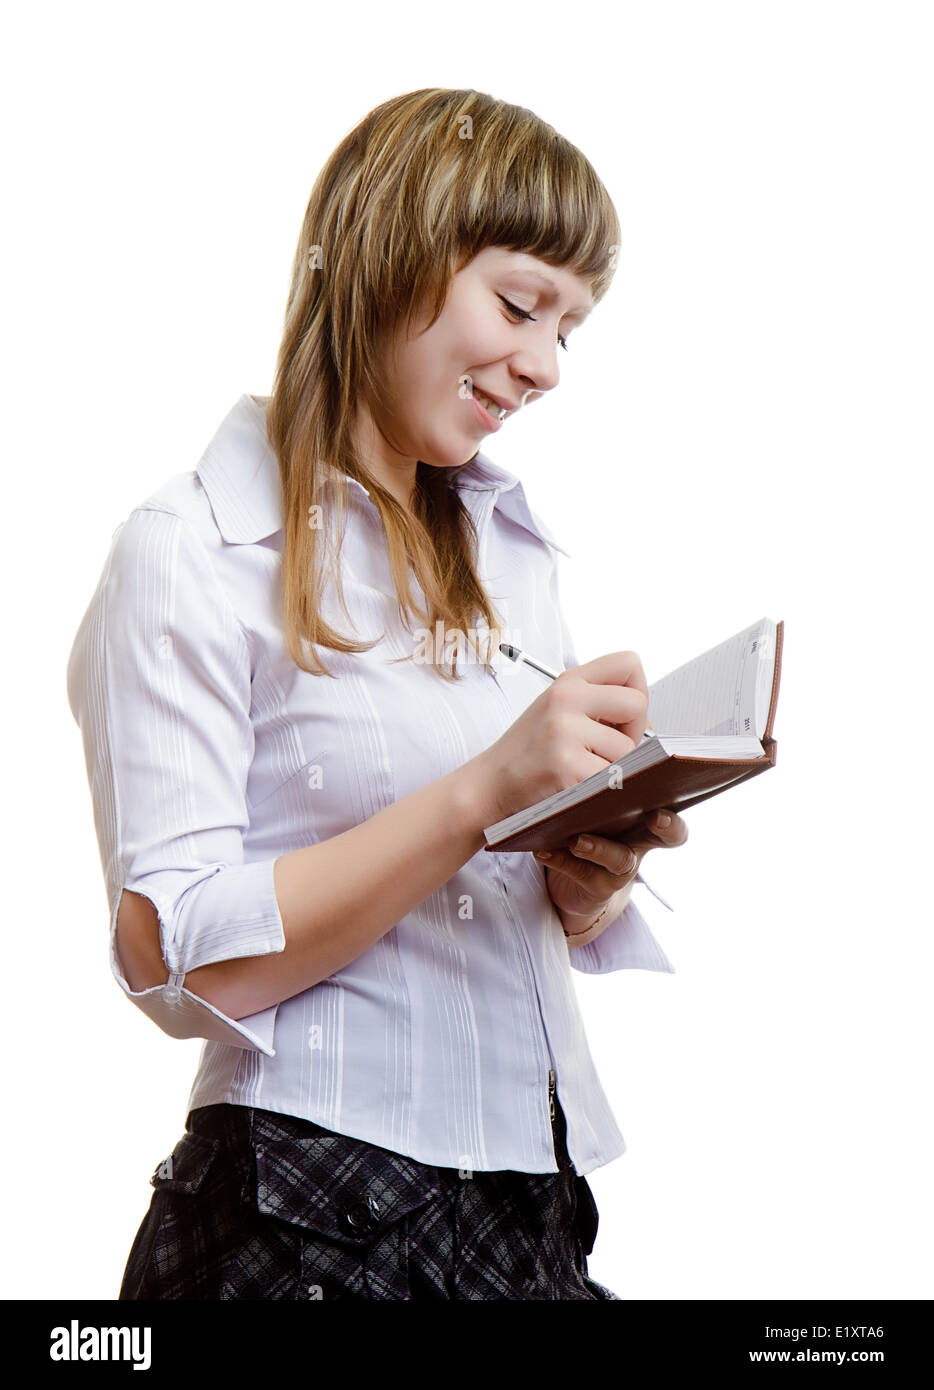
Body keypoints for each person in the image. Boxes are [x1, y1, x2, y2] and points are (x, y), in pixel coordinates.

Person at [66, 86, 688, 1301]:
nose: (546, 364)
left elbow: (476, 892)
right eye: (520, 304)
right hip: (302, 1220)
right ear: (393, 249)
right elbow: (174, 962)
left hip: (529, 1215)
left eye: (570, 328)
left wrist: (579, 874)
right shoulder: (191, 547)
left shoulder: (509, 555)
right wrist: (481, 792)